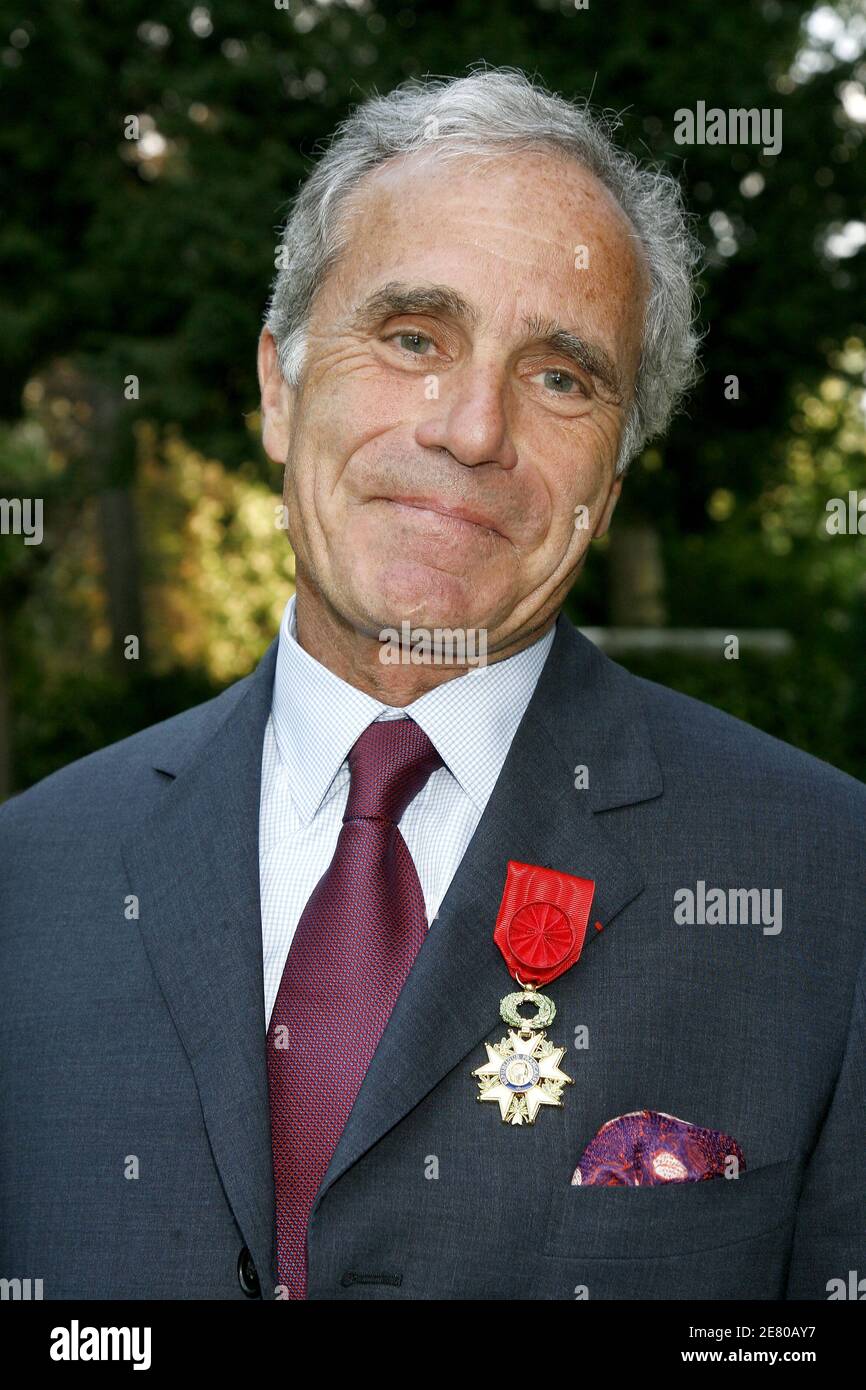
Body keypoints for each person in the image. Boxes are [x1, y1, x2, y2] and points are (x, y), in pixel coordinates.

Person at [2, 69, 863, 1301]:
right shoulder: (30, 881)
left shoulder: (828, 888)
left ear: (610, 482)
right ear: (278, 389)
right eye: (413, 338)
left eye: (560, 377)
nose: (470, 428)